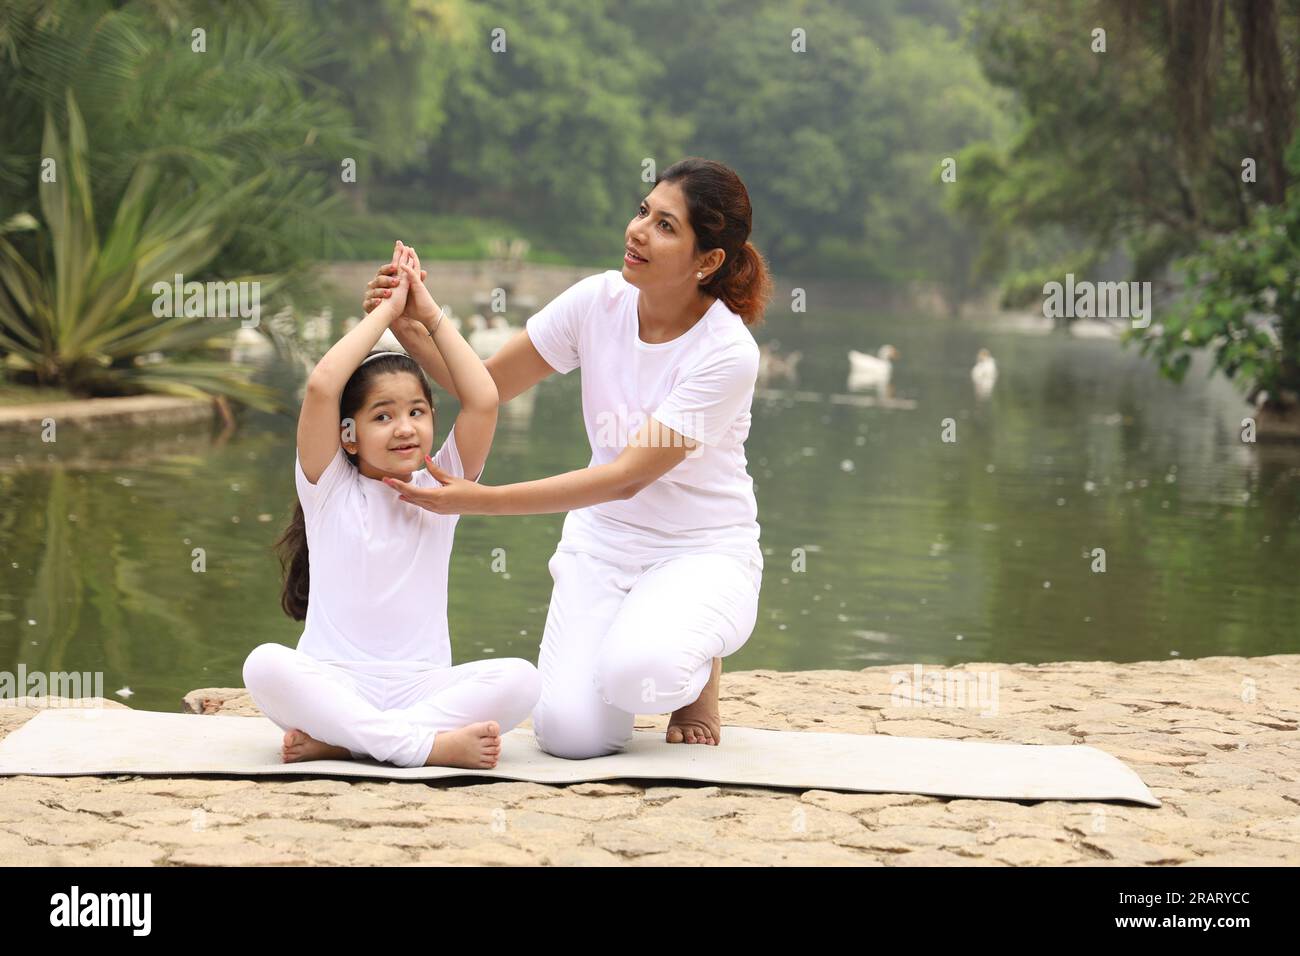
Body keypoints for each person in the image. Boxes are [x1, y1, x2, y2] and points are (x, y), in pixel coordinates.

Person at [365, 158, 772, 759]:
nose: (637, 231)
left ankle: (696, 668)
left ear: (707, 261)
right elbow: (486, 385)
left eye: (665, 226)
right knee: (569, 737)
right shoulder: (596, 302)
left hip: (701, 551)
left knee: (643, 674)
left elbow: (628, 477)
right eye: (642, 212)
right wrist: (416, 322)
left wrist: (481, 502)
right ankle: (646, 638)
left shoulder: (726, 352)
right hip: (604, 546)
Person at [243, 243, 540, 769]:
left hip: (421, 688)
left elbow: (484, 400)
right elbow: (321, 385)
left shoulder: (444, 488)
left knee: (522, 679)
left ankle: (350, 743)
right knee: (264, 665)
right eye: (382, 416)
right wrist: (384, 310)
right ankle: (423, 746)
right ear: (349, 436)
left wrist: (426, 313)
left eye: (417, 411)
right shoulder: (329, 486)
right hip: (334, 681)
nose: (405, 427)